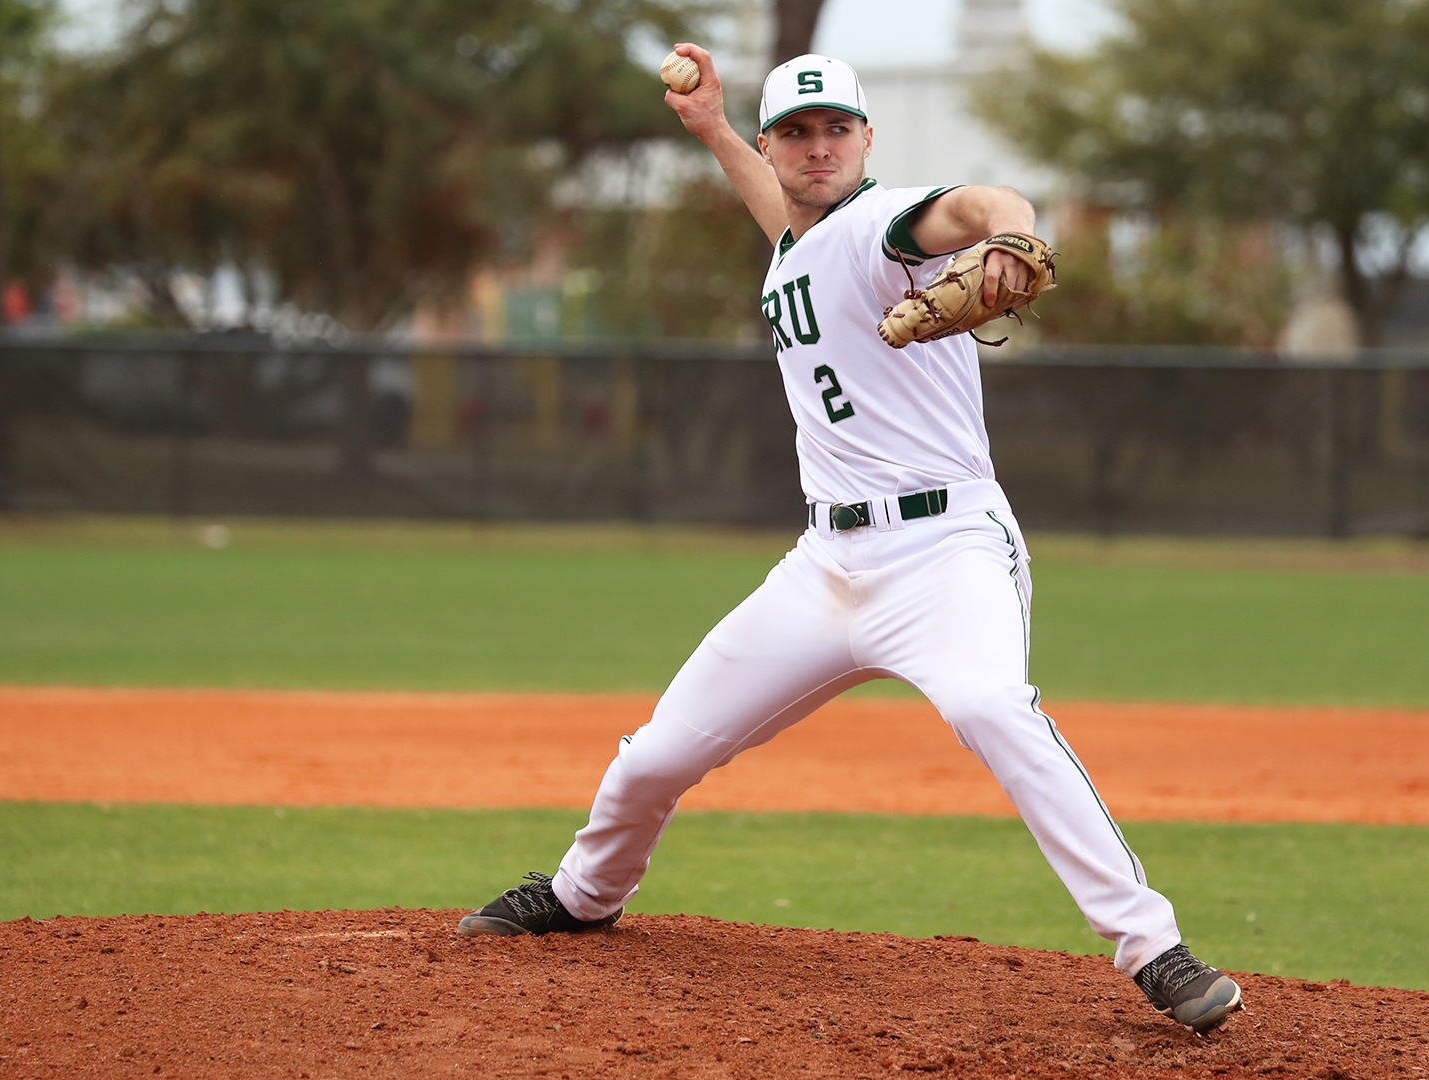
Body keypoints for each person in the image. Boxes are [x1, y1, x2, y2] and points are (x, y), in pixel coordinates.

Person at [458, 45, 1243, 1037]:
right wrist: (713, 130)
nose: (817, 148)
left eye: (836, 129)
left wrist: (1012, 232)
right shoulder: (798, 240)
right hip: (826, 567)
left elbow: (977, 205)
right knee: (656, 754)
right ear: (774, 147)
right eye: (795, 133)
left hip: (945, 549)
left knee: (991, 706)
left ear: (868, 139)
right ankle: (585, 895)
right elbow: (782, 213)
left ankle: (1154, 949)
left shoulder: (884, 224)